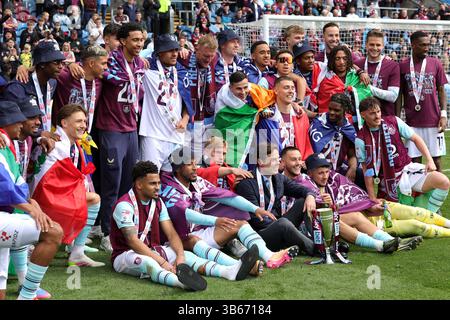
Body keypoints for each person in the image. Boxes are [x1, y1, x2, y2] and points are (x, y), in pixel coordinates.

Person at [160, 147, 297, 269]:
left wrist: (254, 208)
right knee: (195, 239)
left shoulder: (196, 181)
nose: (195, 167)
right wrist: (215, 221)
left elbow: (226, 196)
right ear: (178, 168)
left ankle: (270, 256)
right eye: (190, 164)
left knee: (240, 224)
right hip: (177, 240)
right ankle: (237, 266)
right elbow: (185, 214)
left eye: (195, 163)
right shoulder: (168, 188)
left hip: (197, 232)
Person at [281, 149, 417, 252]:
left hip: (314, 221)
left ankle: (391, 241)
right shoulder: (283, 180)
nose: (298, 163)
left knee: (355, 216)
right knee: (331, 219)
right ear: (282, 162)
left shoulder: (312, 180)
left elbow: (326, 198)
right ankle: (380, 245)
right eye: (293, 159)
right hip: (296, 226)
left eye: (300, 159)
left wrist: (368, 206)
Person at [0, 100, 63, 300]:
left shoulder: (8, 145)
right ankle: (27, 295)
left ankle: (24, 285)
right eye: (17, 121)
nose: (22, 124)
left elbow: (18, 183)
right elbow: (5, 188)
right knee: (53, 232)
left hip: (5, 215)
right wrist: (30, 209)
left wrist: (32, 203)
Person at [110, 161, 208, 290]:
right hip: (125, 255)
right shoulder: (124, 205)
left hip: (152, 250)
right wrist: (162, 262)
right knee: (150, 263)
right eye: (152, 183)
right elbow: (132, 241)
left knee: (187, 256)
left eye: (158, 183)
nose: (158, 187)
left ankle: (229, 270)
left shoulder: (158, 202)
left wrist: (180, 256)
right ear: (139, 185)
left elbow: (172, 234)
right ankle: (182, 283)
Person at [30, 104, 104, 267]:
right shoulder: (57, 142)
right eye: (78, 121)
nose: (83, 125)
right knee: (93, 199)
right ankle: (76, 252)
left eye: (84, 121)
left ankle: (76, 249)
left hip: (46, 195)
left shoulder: (69, 142)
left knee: (90, 198)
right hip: (43, 198)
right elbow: (51, 181)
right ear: (64, 123)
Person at [95, 23, 145, 254]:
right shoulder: (110, 59)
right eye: (135, 40)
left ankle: (123, 230)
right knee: (111, 185)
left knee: (128, 184)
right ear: (123, 40)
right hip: (111, 128)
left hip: (131, 128)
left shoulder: (140, 63)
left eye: (142, 40)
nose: (139, 45)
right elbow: (91, 66)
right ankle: (106, 231)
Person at [356, 97, 450, 212]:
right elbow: (367, 170)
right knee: (401, 216)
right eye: (372, 113)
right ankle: (422, 209)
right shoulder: (360, 139)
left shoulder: (393, 121)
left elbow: (416, 138)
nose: (377, 116)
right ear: (363, 115)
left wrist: (429, 160)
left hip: (408, 170)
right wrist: (372, 197)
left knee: (443, 182)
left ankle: (432, 213)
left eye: (378, 111)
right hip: (388, 182)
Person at [234, 143, 316, 255]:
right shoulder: (246, 183)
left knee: (303, 203)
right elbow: (256, 220)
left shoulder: (278, 178)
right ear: (261, 162)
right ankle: (317, 250)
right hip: (259, 235)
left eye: (278, 159)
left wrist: (310, 196)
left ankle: (319, 242)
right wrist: (280, 226)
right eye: (274, 159)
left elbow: (303, 190)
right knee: (283, 223)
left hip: (279, 226)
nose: (279, 162)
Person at [139, 34, 192, 172]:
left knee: (175, 180)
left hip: (176, 134)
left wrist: (185, 120)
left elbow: (188, 102)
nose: (174, 54)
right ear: (159, 52)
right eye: (170, 50)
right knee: (150, 177)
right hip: (152, 135)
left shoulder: (181, 71)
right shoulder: (147, 67)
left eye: (176, 50)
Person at [398, 31, 448, 172]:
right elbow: (399, 95)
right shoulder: (403, 65)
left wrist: (443, 115)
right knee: (414, 162)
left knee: (436, 159)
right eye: (422, 45)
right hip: (412, 122)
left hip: (433, 120)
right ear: (413, 45)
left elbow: (441, 90)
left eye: (428, 45)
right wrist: (397, 121)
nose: (426, 48)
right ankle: (419, 191)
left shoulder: (435, 63)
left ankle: (438, 192)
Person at [3, 42, 65, 132]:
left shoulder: (52, 82)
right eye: (56, 62)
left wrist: (71, 65)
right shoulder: (17, 87)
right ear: (42, 64)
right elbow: (10, 123)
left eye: (62, 62)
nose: (61, 67)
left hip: (44, 137)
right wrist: (39, 135)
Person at [178, 34, 218, 157]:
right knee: (182, 158)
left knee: (199, 159)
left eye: (212, 56)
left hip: (204, 118)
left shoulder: (213, 59)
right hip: (186, 118)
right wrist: (179, 48)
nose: (209, 59)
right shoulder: (184, 58)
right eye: (206, 56)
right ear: (197, 48)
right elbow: (159, 55)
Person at [309, 93, 361, 185]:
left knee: (360, 174)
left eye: (336, 110)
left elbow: (352, 155)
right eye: (330, 109)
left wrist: (352, 168)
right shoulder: (319, 123)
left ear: (345, 110)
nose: (332, 113)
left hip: (337, 171)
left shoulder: (348, 129)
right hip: (317, 171)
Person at [354, 30, 400, 116]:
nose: (375, 48)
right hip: (362, 118)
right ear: (366, 45)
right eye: (371, 44)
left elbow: (393, 96)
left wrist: (369, 88)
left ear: (383, 46)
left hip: (385, 117)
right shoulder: (357, 65)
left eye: (378, 45)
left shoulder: (393, 65)